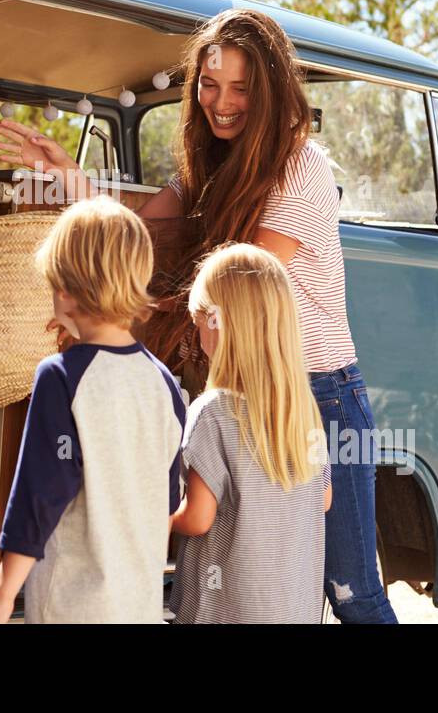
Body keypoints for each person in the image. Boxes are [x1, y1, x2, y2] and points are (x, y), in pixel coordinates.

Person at [0, 7, 398, 623]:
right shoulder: (207, 165)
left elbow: (239, 287)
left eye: (240, 88)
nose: (222, 102)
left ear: (268, 90)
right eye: (209, 85)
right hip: (242, 392)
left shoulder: (300, 165)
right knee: (240, 582)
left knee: (351, 593)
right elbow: (142, 234)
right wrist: (76, 187)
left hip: (315, 393)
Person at [0, 198, 185, 623]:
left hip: (72, 607)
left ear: (66, 289)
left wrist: (1, 598)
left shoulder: (61, 378)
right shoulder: (163, 383)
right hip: (137, 608)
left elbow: (38, 498)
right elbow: (166, 503)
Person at [169, 242, 330, 623]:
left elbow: (198, 518)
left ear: (220, 325)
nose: (197, 338)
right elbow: (322, 499)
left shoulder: (213, 412)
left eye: (199, 323)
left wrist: (151, 518)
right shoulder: (305, 411)